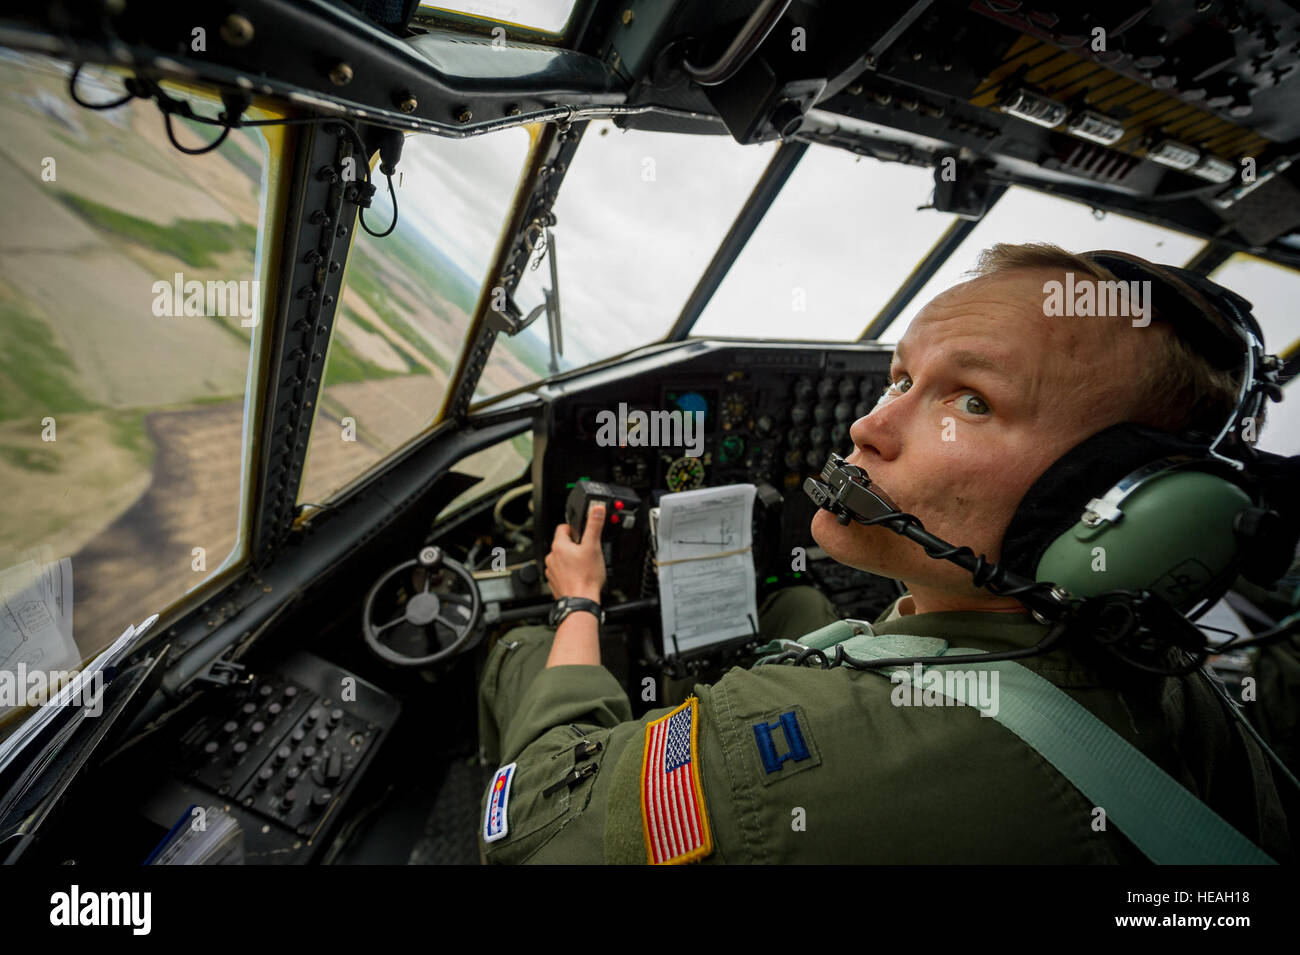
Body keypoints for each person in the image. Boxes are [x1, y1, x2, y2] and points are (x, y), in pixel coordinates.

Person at [476, 242, 1293, 864]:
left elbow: (528, 829)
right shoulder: (1169, 668)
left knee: (523, 646)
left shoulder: (794, 758)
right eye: (901, 378)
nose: (870, 426)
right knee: (800, 605)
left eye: (971, 402)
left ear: (1121, 507)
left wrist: (579, 602)